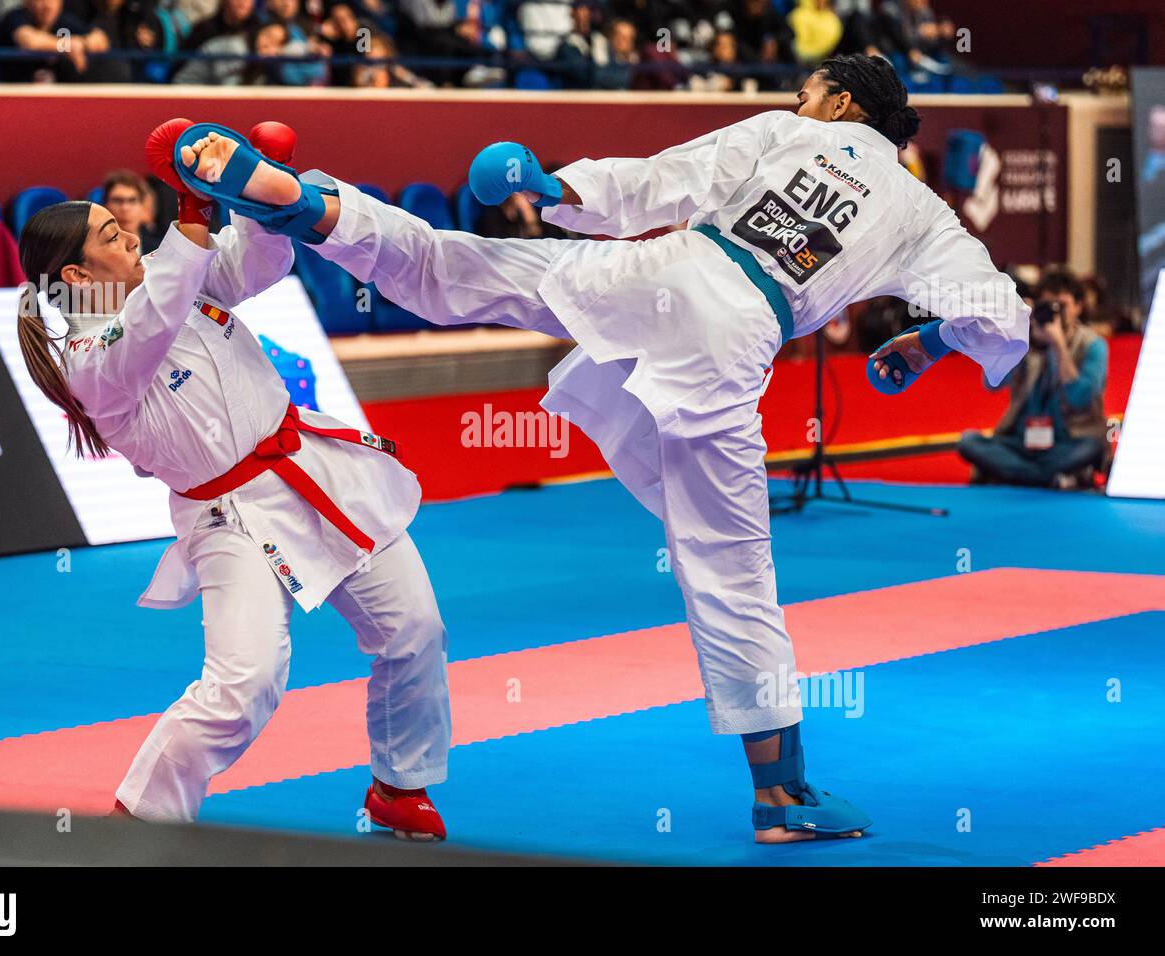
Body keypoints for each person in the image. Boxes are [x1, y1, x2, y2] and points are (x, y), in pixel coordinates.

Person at [182, 53, 1028, 842]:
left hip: (662, 276)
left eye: (808, 90)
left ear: (840, 103)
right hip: (736, 341)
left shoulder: (791, 132)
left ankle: (318, 209)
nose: (799, 99)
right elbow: (998, 311)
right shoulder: (924, 214)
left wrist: (555, 185)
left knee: (469, 269)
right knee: (729, 566)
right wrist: (928, 346)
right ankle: (781, 794)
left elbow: (670, 179)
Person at [13, 119, 453, 840]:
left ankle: (399, 787)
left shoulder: (171, 273)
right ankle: (140, 824)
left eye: (124, 223)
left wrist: (258, 183)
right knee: (243, 684)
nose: (129, 231)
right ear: (77, 277)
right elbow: (151, 325)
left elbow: (257, 264)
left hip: (314, 471)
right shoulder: (90, 357)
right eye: (110, 235)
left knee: (415, 628)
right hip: (228, 518)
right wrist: (190, 212)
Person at [958, 270, 1109, 488]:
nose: (1054, 314)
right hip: (1021, 441)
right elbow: (991, 384)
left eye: (1062, 307)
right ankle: (1051, 477)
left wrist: (1058, 345)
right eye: (1047, 306)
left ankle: (1012, 473)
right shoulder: (1023, 337)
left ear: (1078, 307)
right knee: (968, 442)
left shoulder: (1093, 345)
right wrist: (1014, 336)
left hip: (1068, 439)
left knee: (1092, 447)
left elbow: (1079, 398)